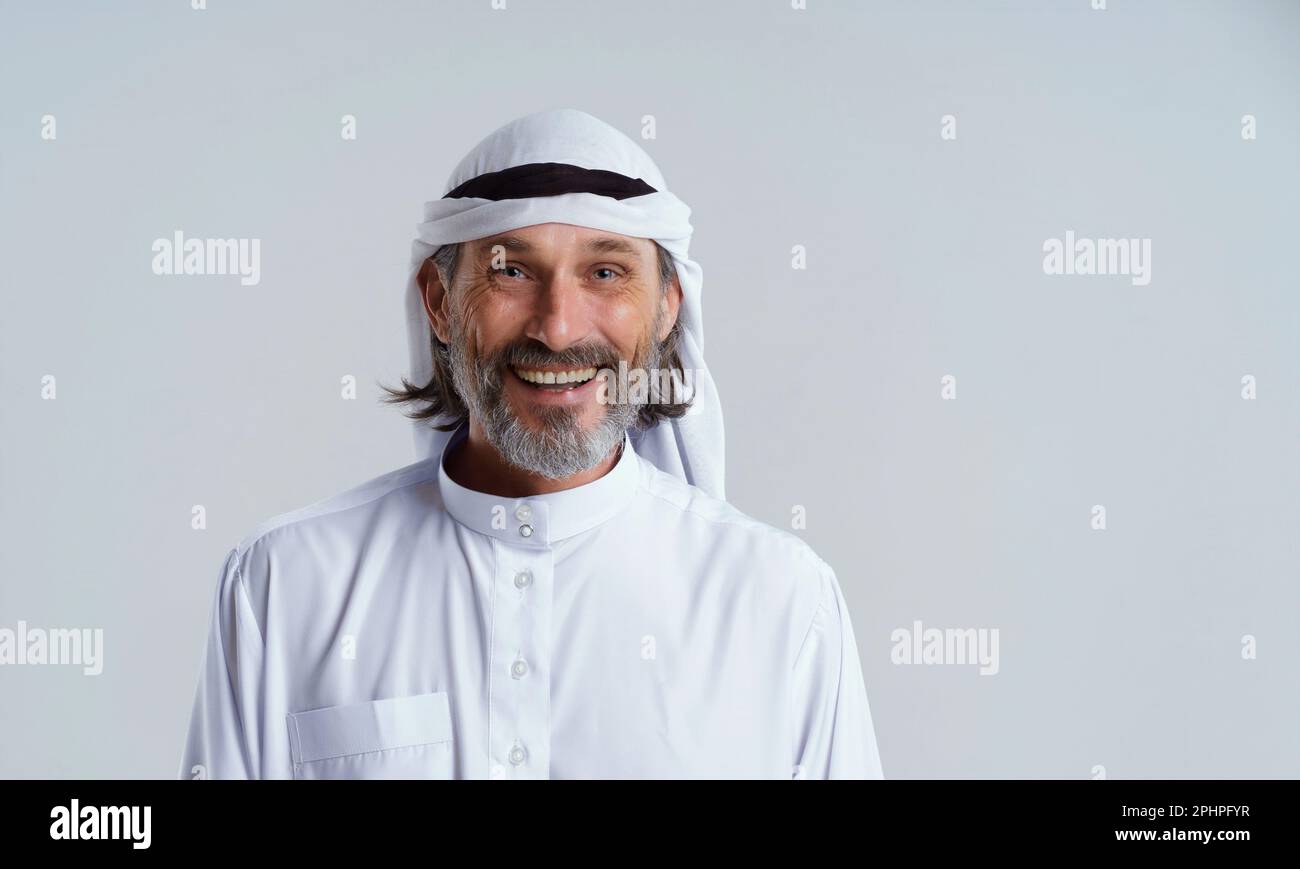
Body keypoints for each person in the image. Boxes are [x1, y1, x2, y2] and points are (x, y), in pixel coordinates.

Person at [178, 109, 883, 779]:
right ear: (439, 302)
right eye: (511, 270)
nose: (556, 326)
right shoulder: (284, 584)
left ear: (666, 308)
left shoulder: (782, 601)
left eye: (605, 272)